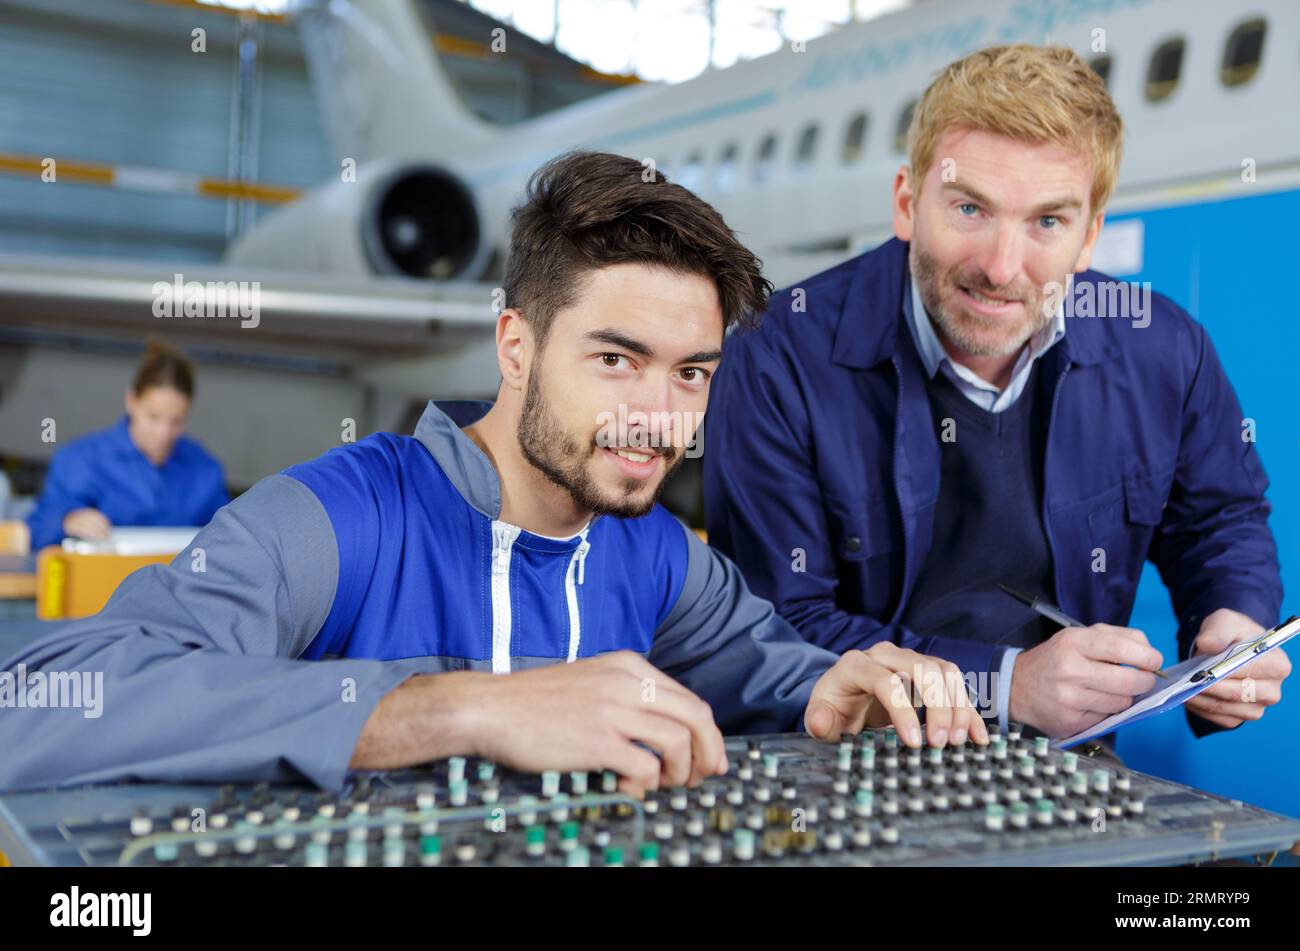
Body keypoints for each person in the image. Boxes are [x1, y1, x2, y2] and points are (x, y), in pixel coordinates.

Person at [0, 151, 986, 795]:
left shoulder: (654, 555)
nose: (658, 414)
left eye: (690, 373)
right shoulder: (339, 519)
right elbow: (34, 705)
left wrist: (841, 687)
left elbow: (778, 673)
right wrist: (456, 703)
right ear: (515, 347)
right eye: (615, 359)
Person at [703, 45, 1289, 743]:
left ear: (1089, 235)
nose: (1002, 267)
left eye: (1047, 221)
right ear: (906, 203)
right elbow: (773, 626)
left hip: (1065, 771)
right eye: (970, 208)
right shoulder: (778, 359)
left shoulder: (1165, 352)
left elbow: (1220, 519)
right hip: (843, 765)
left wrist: (1231, 620)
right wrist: (1006, 684)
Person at [24, 340, 229, 551]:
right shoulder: (81, 461)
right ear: (131, 401)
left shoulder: (204, 469)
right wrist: (67, 520)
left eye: (176, 421)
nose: (163, 433)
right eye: (153, 417)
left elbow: (229, 538)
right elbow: (35, 529)